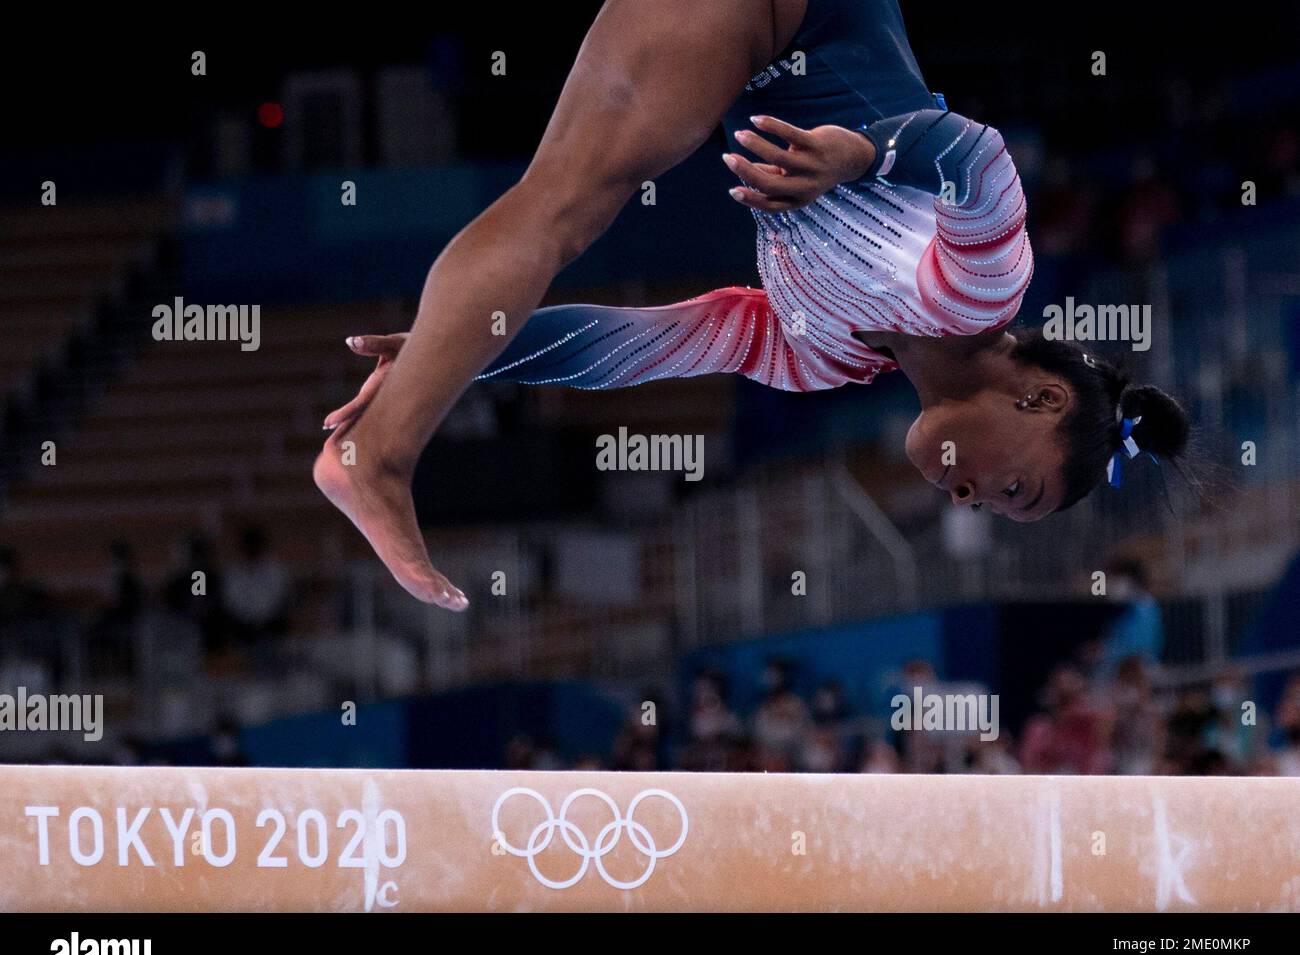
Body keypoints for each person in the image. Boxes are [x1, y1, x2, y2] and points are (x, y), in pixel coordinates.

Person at [315, 0, 1190, 609]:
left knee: (558, 203)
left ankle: (385, 441)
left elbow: (627, 345)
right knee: (559, 208)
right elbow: (974, 158)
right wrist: (859, 156)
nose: (972, 499)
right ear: (1042, 397)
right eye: (1014, 487)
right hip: (791, 14)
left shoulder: (823, 357)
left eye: (994, 507)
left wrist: (454, 351)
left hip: (753, 38)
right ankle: (379, 454)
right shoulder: (978, 291)